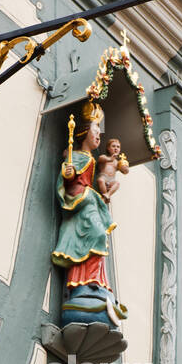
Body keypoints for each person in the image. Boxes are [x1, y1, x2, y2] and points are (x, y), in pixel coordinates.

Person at [52, 101, 125, 326]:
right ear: (84, 132)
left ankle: (94, 283)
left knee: (101, 238)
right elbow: (67, 177)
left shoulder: (93, 159)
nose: (99, 136)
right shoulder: (78, 156)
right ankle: (82, 284)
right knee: (97, 236)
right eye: (96, 130)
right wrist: (68, 172)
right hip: (81, 201)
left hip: (89, 201)